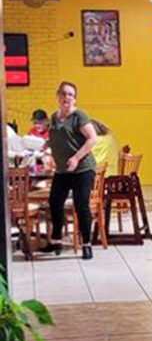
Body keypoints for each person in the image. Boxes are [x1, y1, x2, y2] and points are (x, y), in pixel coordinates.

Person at [46, 82, 98, 259]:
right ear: (57, 95)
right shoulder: (54, 117)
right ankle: (56, 241)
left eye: (70, 94)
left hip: (82, 169)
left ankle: (86, 244)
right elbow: (55, 140)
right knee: (54, 203)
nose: (66, 97)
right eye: (63, 94)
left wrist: (76, 158)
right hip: (62, 170)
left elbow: (92, 138)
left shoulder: (79, 116)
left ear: (74, 98)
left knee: (80, 205)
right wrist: (49, 155)